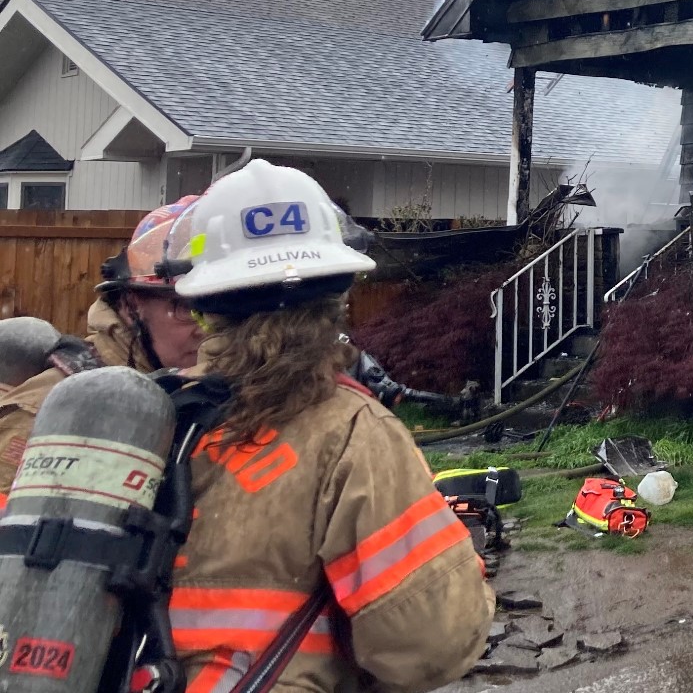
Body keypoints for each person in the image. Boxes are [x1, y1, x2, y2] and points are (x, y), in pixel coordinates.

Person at [164, 159, 492, 692]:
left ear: (201, 307)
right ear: (339, 292)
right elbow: (427, 646)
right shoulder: (353, 435)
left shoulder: (151, 419)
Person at [0, 196, 202, 503]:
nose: (207, 329)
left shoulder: (222, 396)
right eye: (187, 307)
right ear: (132, 304)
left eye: (218, 311)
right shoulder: (48, 409)